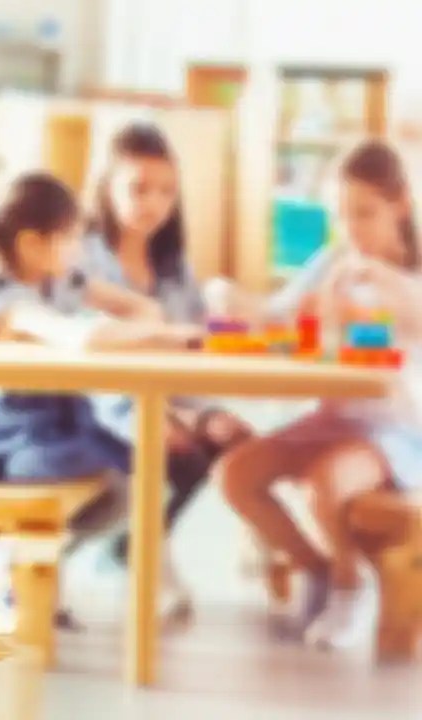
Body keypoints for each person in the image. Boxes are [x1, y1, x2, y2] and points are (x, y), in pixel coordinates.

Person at [0, 172, 204, 626]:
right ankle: (29, 567)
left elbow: (138, 308)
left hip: (61, 425)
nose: (79, 251)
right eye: (69, 239)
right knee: (128, 470)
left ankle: (44, 567)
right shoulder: (9, 303)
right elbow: (78, 336)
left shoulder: (60, 280)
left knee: (133, 475)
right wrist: (164, 334)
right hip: (14, 436)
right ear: (32, 245)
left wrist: (146, 321)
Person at [215, 139, 422, 649]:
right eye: (342, 216)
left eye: (364, 213)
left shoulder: (405, 274)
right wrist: (226, 297)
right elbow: (277, 317)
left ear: (401, 204)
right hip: (334, 418)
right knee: (236, 474)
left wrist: (381, 287)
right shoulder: (334, 260)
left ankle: (353, 587)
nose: (352, 229)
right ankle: (320, 570)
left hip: (396, 427)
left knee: (323, 484)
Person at [76, 122, 254, 563]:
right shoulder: (83, 258)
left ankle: (142, 545)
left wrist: (206, 410)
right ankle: (146, 553)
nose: (153, 204)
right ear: (106, 186)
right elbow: (89, 351)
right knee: (176, 447)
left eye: (165, 192)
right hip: (104, 401)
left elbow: (193, 344)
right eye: (138, 189)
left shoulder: (173, 266)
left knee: (236, 438)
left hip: (173, 397)